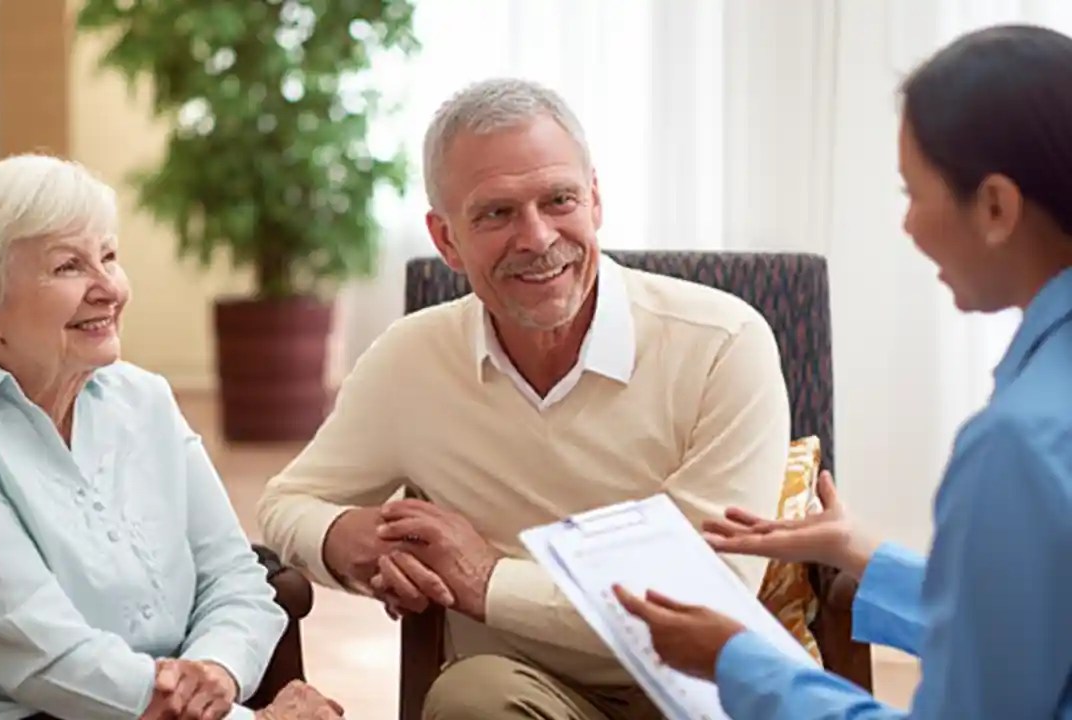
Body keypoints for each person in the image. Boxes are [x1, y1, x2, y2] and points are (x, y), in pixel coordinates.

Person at [258, 78, 793, 719]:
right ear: (446, 239)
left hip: (703, 689)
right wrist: (346, 536)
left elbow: (702, 603)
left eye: (559, 199)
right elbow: (286, 503)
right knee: (468, 698)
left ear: (595, 200)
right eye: (496, 213)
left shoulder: (723, 342)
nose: (537, 238)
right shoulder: (411, 360)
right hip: (530, 692)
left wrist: (487, 582)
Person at [614, 23, 1072, 719]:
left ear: (997, 206)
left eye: (912, 194)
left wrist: (735, 661)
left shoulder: (1017, 443)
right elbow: (1033, 632)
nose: (909, 227)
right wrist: (864, 555)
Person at [0, 154, 345, 720]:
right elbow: (48, 661)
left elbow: (237, 577)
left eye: (108, 256)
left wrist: (215, 671)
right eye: (69, 266)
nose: (108, 287)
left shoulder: (144, 399)